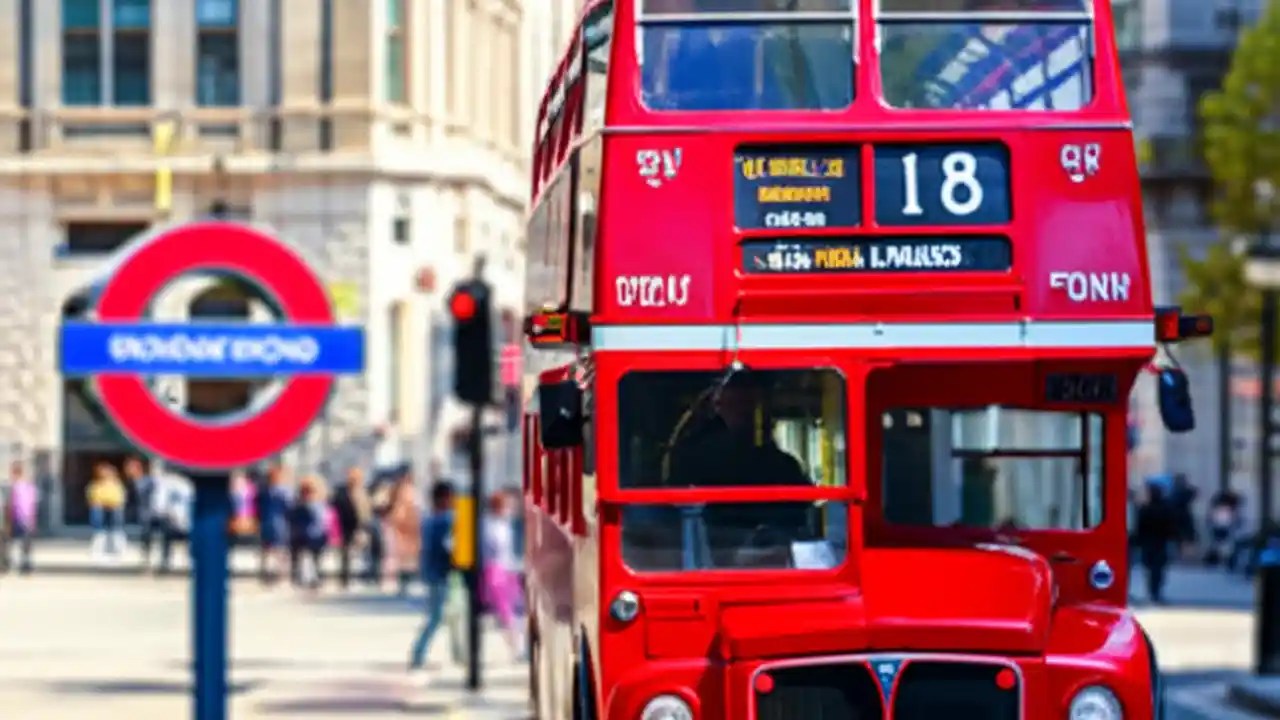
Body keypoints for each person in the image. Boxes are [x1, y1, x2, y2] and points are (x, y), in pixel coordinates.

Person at [409, 481, 459, 678]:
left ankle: (455, 655)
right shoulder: (446, 519)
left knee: (442, 615)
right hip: (442, 573)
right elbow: (449, 547)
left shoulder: (429, 519)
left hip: (432, 572)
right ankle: (418, 655)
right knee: (437, 616)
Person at [481, 491, 525, 661]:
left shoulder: (505, 523)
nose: (509, 508)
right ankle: (516, 647)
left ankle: (518, 646)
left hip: (509, 569)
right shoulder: (489, 525)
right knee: (506, 612)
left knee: (516, 610)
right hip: (495, 571)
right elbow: (493, 549)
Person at [1135, 483, 1179, 604]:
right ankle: (1156, 592)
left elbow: (1140, 526)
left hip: (1149, 542)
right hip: (1161, 542)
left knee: (1150, 569)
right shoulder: (1166, 508)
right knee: (1158, 569)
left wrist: (1138, 540)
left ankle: (1152, 591)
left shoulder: (1145, 508)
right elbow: (1171, 525)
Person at [332, 466, 373, 589]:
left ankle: (366, 577)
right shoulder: (342, 492)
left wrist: (365, 525)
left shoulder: (363, 492)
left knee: (363, 551)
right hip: (345, 525)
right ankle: (345, 579)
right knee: (345, 553)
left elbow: (366, 510)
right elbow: (336, 506)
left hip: (360, 526)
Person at [288, 476, 329, 591]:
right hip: (302, 535)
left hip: (315, 535)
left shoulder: (319, 504)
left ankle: (315, 579)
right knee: (300, 559)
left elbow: (322, 520)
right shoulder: (299, 504)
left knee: (315, 559)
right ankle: (301, 578)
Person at [387, 474, 423, 596]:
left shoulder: (407, 492)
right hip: (405, 531)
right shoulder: (408, 492)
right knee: (404, 559)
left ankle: (406, 583)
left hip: (409, 530)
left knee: (406, 559)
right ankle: (404, 583)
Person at [86, 463, 128, 563]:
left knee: (116, 529)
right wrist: (99, 503)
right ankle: (98, 550)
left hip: (114, 508)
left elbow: (121, 498)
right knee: (99, 530)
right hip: (100, 508)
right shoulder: (95, 484)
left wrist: (113, 503)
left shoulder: (117, 484)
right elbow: (92, 497)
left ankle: (117, 551)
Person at [259, 466, 293, 585]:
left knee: (277, 550)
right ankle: (274, 574)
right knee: (274, 550)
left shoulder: (277, 491)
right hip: (274, 523)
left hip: (276, 523)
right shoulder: (276, 491)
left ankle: (277, 574)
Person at [6, 461, 38, 573]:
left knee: (21, 543)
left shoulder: (18, 487)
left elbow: (15, 505)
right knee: (24, 543)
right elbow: (32, 505)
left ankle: (24, 564)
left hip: (20, 519)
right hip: (24, 518)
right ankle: (25, 564)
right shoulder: (28, 487)